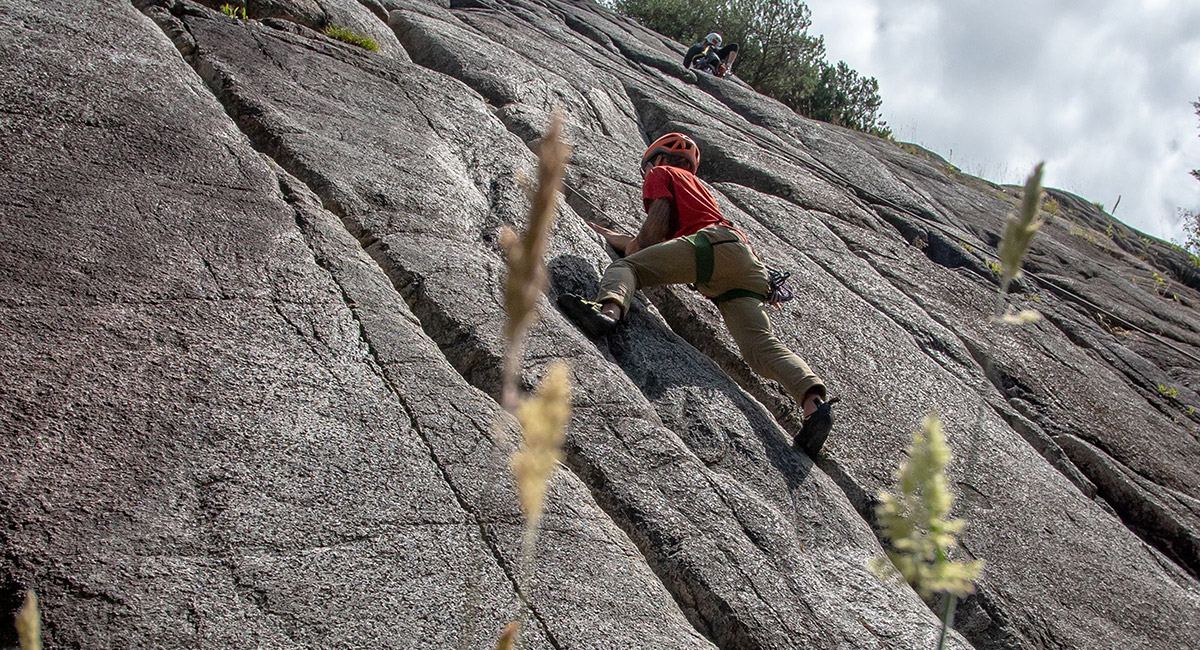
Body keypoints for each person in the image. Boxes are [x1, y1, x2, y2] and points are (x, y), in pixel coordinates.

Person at [558, 133, 837, 454]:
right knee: (760, 349)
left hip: (711, 251)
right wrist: (612, 236)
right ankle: (815, 406)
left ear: (657, 160)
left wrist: (629, 248)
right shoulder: (700, 192)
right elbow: (656, 245)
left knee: (627, 270)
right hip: (745, 263)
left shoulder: (661, 174)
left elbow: (651, 236)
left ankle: (606, 314)